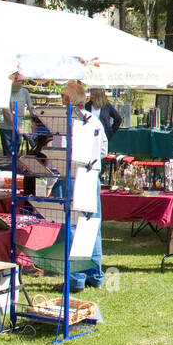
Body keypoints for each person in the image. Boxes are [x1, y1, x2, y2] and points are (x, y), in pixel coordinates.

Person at [55, 81, 108, 292]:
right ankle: (94, 274)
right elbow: (103, 149)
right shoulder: (94, 120)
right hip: (91, 174)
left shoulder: (68, 122)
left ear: (68, 100)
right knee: (91, 224)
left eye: (62, 97)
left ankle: (76, 277)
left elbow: (60, 152)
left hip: (73, 175)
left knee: (74, 226)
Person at [0, 72, 32, 157]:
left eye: (24, 81)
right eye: (21, 81)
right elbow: (6, 112)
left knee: (17, 154)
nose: (22, 84)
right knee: (9, 156)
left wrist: (36, 121)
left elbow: (31, 109)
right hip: (7, 128)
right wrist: (17, 127)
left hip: (19, 129)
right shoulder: (5, 92)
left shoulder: (25, 92)